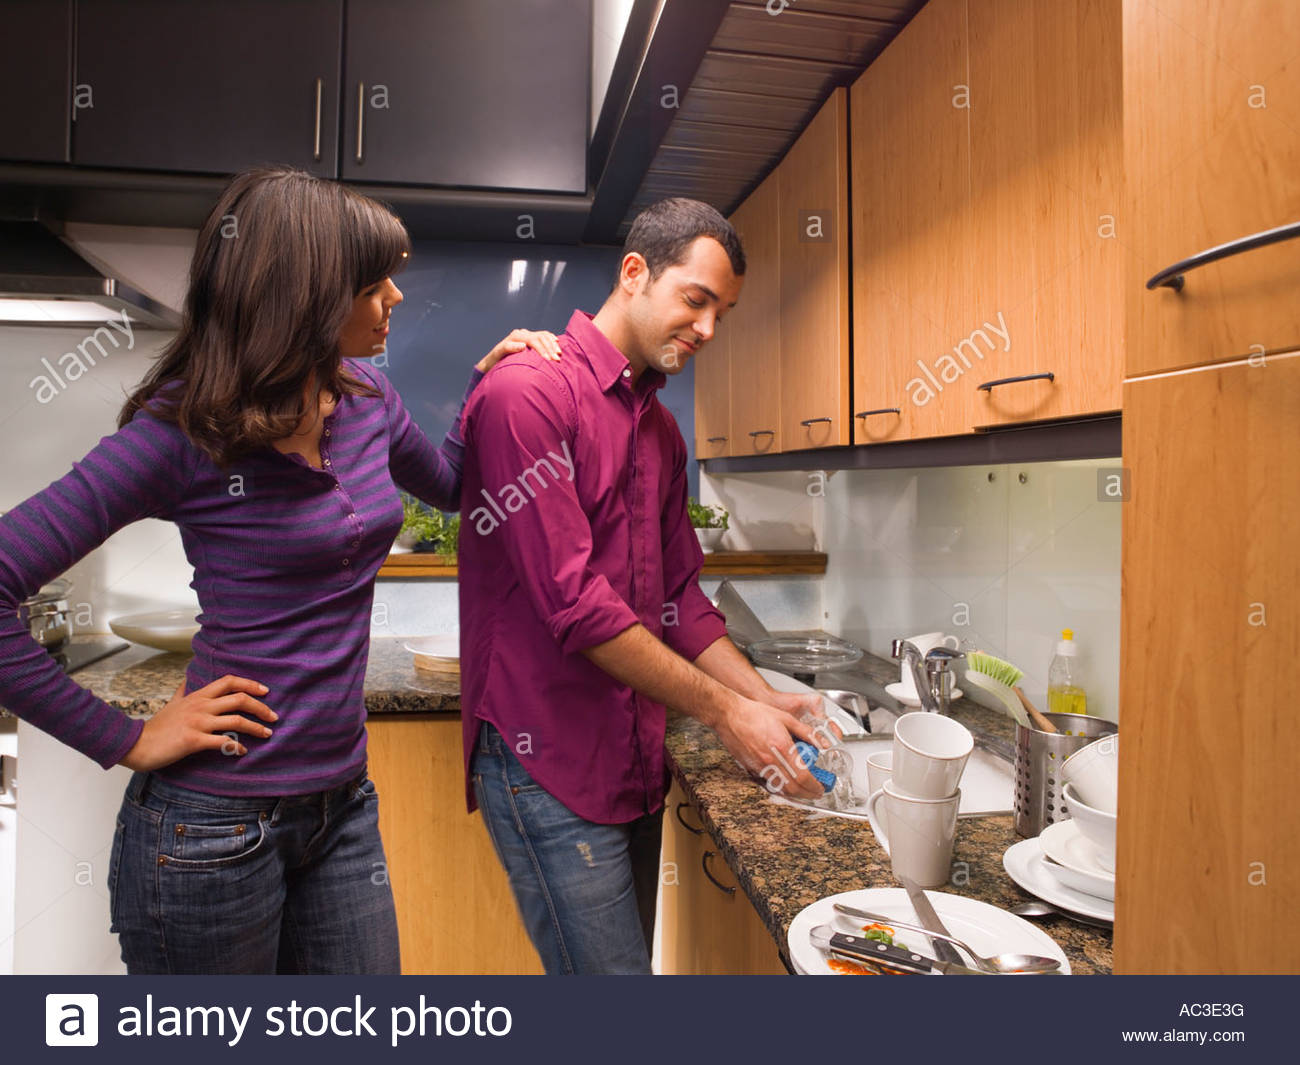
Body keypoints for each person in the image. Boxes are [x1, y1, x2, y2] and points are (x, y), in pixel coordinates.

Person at [0, 165, 559, 974]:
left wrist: (491, 389)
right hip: (211, 831)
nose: (395, 299)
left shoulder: (367, 399)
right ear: (304, 301)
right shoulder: (182, 434)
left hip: (342, 810)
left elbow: (456, 490)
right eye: (374, 285)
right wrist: (126, 737)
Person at [458, 197, 838, 975]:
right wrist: (729, 712)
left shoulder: (659, 431)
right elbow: (577, 606)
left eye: (721, 314)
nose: (706, 329)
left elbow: (681, 603)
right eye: (695, 300)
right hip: (544, 762)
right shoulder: (526, 395)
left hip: (631, 759)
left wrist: (761, 697)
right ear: (635, 273)